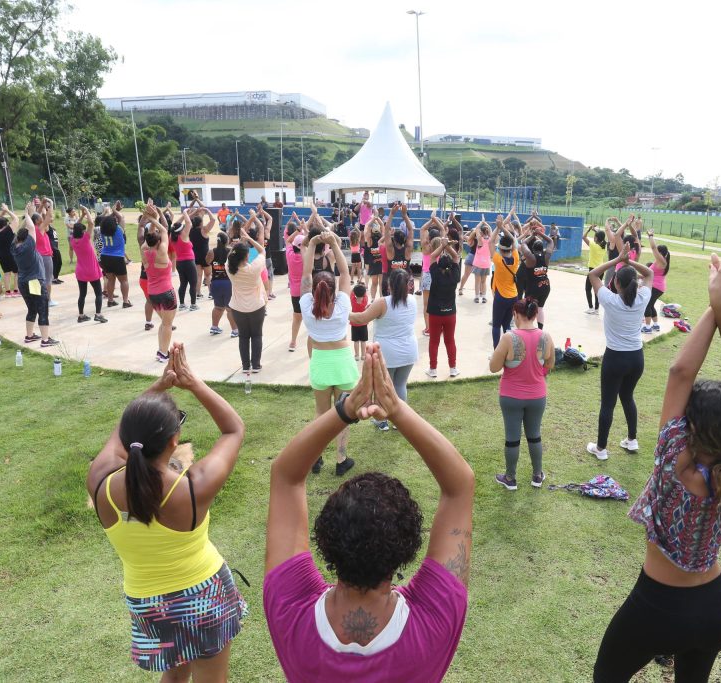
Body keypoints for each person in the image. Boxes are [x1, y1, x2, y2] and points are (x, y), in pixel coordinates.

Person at [593, 240, 721, 682]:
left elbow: (679, 373)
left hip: (655, 606)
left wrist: (718, 303)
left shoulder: (675, 461)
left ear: (690, 426)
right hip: (713, 607)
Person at [263, 344, 473, 682]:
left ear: (327, 540)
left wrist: (344, 410)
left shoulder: (291, 606)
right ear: (406, 549)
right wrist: (396, 408)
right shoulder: (434, 618)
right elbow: (460, 484)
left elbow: (286, 477)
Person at [87, 344, 247, 681]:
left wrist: (158, 388)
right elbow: (234, 429)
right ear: (175, 441)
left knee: (173, 676)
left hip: (147, 602)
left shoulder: (100, 482)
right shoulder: (192, 489)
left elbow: (124, 432)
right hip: (204, 596)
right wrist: (193, 383)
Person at [299, 220, 357, 474]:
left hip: (321, 361)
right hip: (343, 361)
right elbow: (345, 274)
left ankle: (315, 457)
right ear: (333, 290)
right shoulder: (343, 302)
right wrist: (334, 242)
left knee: (321, 414)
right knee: (341, 415)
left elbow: (305, 275)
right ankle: (341, 460)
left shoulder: (305, 304)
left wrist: (312, 244)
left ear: (314, 289)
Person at [586, 253, 653, 460]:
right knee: (627, 396)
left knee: (608, 403)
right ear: (635, 283)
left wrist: (618, 260)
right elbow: (649, 273)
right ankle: (632, 440)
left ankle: (601, 449)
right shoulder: (642, 298)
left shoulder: (610, 299)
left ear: (615, 282)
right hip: (636, 358)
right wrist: (628, 261)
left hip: (615, 358)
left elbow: (593, 274)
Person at [490, 297, 554, 491]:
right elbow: (550, 365)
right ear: (535, 314)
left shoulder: (508, 338)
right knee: (534, 435)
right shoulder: (546, 336)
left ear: (515, 314)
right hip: (537, 395)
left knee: (512, 437)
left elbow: (493, 367)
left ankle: (510, 478)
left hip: (511, 396)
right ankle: (537, 475)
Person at [349, 268, 418, 432]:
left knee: (382, 387)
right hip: (408, 350)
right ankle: (399, 421)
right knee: (400, 385)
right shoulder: (412, 300)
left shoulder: (383, 302)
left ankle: (382, 421)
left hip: (388, 353)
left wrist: (342, 312)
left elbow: (361, 318)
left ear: (389, 284)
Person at [6, 205, 58, 347]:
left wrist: (26, 216)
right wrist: (28, 213)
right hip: (34, 282)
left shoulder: (13, 248)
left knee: (32, 309)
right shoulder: (29, 246)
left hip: (23, 282)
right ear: (27, 237)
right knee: (42, 309)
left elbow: (23, 230)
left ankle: (29, 336)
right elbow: (31, 227)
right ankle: (46, 340)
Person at [227, 212, 268, 374]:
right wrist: (249, 240)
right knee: (257, 335)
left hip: (237, 308)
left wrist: (240, 243)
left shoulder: (230, 269)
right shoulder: (254, 268)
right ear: (246, 257)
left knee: (243, 337)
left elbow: (231, 256)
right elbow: (262, 251)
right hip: (256, 307)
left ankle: (245, 367)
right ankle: (256, 365)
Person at [141, 207, 177, 363]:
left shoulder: (144, 251)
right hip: (167, 293)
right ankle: (163, 353)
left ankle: (161, 351)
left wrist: (149, 218)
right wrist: (154, 218)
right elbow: (164, 230)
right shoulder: (162, 251)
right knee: (167, 325)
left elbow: (152, 236)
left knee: (164, 323)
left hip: (153, 294)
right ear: (158, 242)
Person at [427, 235, 462, 378]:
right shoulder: (455, 275)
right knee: (450, 340)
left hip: (435, 313)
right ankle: (453, 368)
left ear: (439, 265)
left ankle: (433, 369)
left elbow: (432, 256)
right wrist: (447, 246)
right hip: (450, 314)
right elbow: (456, 257)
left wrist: (442, 245)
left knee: (434, 341)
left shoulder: (435, 274)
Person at [71, 207, 107, 323]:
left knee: (82, 294)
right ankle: (98, 314)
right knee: (98, 294)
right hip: (91, 270)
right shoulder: (85, 239)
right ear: (82, 232)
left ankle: (81, 316)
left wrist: (81, 216)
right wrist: (86, 210)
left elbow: (76, 226)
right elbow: (91, 223)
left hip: (80, 271)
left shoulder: (73, 240)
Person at [489, 218, 520, 348]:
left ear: (500, 249)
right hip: (514, 296)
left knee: (496, 325)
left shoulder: (497, 260)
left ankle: (497, 351)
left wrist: (498, 227)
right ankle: (509, 350)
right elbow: (513, 241)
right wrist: (502, 228)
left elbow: (490, 241)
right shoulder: (516, 257)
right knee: (507, 325)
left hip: (501, 297)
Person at [517, 223, 553, 329]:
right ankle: (540, 329)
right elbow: (550, 241)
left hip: (533, 287)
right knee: (540, 308)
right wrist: (540, 234)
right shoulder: (547, 256)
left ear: (532, 248)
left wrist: (532, 235)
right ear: (542, 248)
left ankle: (527, 327)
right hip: (545, 285)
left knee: (528, 307)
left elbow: (523, 243)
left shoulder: (531, 258)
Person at [99, 201, 131, 308]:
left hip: (105, 257)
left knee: (110, 279)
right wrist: (115, 210)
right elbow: (121, 217)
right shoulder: (118, 230)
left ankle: (110, 300)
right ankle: (126, 301)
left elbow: (106, 221)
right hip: (117, 257)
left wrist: (114, 211)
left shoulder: (102, 231)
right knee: (124, 280)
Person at [208, 232, 237, 337]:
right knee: (230, 308)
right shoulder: (230, 251)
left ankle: (214, 327)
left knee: (218, 307)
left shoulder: (212, 251)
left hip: (215, 282)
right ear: (227, 241)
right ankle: (235, 330)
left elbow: (207, 262)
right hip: (227, 282)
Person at [642, 231, 670, 333]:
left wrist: (650, 236)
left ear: (661, 253)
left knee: (647, 305)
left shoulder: (662, 261)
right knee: (651, 305)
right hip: (658, 287)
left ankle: (647, 327)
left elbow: (653, 248)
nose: (655, 253)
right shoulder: (661, 261)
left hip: (656, 287)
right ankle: (656, 325)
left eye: (658, 252)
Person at [285, 220, 306, 351]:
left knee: (296, 317)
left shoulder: (289, 254)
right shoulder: (307, 257)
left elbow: (287, 241)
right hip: (307, 290)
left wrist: (298, 231)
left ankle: (293, 342)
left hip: (295, 292)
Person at [172, 210, 200, 311]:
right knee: (193, 283)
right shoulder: (184, 235)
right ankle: (193, 305)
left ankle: (182, 304)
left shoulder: (173, 236)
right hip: (189, 263)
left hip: (180, 263)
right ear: (181, 230)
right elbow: (189, 223)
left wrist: (186, 215)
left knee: (183, 284)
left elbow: (175, 225)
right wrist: (184, 212)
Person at [583, 224, 608, 314]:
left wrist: (589, 229)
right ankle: (597, 309)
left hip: (593, 270)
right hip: (601, 270)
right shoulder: (604, 246)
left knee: (587, 288)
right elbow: (602, 237)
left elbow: (584, 237)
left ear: (596, 238)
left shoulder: (594, 245)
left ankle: (590, 308)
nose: (594, 238)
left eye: (595, 237)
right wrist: (595, 230)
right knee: (597, 290)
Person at [0, 212, 18, 297]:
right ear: (5, 224)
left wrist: (2, 212)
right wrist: (7, 210)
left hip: (0, 253)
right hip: (10, 253)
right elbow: (16, 219)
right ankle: (16, 290)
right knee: (17, 272)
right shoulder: (8, 230)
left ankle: (7, 292)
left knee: (6, 272)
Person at [469, 218, 492, 304]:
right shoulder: (490, 240)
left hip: (478, 263)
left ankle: (477, 297)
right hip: (486, 264)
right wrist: (486, 223)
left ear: (481, 232)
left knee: (477, 281)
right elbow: (491, 230)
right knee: (484, 281)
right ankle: (484, 297)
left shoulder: (479, 239)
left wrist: (481, 222)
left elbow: (476, 228)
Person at [350, 282, 369, 361]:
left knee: (356, 341)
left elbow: (351, 292)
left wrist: (355, 287)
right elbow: (365, 293)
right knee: (363, 341)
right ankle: (363, 355)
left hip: (354, 323)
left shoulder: (353, 300)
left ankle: (357, 355)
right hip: (363, 323)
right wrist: (362, 287)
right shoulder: (365, 300)